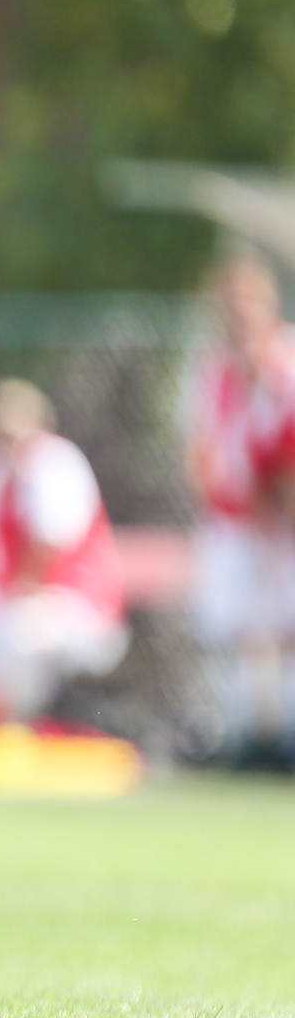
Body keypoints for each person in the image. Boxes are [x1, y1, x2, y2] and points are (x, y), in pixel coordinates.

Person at [180, 252, 295, 759]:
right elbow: (201, 445)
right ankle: (246, 736)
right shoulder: (210, 366)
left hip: (284, 516)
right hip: (234, 518)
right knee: (236, 630)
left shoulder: (285, 359)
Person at [0, 378, 127, 724]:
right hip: (30, 601)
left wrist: (7, 598)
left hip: (78, 604)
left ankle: (22, 725)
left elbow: (47, 546)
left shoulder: (53, 463)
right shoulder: (1, 472)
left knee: (15, 634)